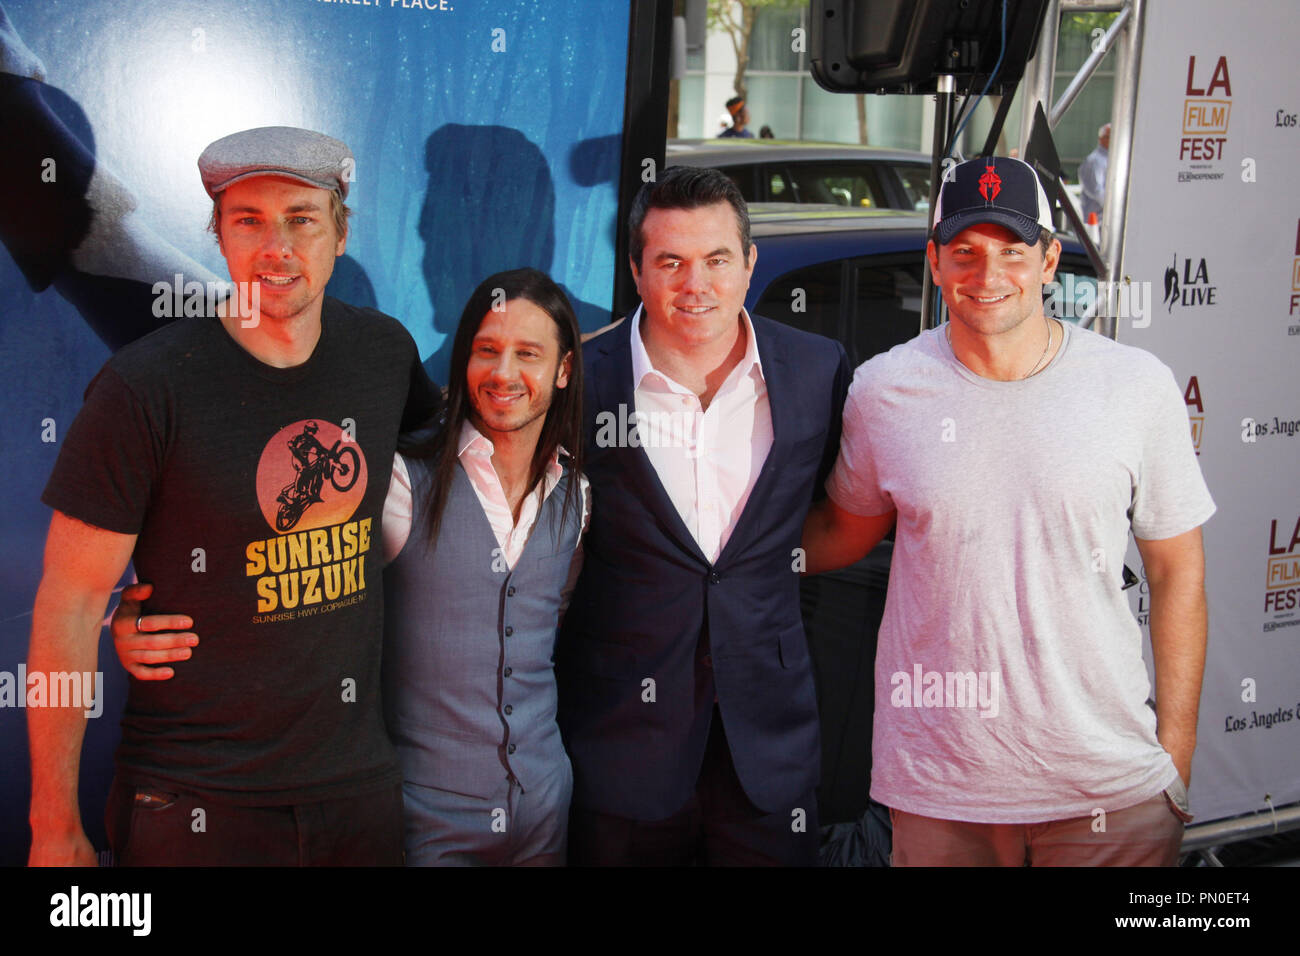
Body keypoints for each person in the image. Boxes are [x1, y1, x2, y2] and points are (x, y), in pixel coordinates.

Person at [27, 126, 443, 866]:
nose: (276, 247)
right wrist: (54, 829)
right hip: (192, 801)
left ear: (340, 233)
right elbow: (68, 603)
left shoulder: (384, 354)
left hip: (358, 796)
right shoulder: (145, 387)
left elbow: (471, 444)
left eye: (301, 219)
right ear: (218, 235)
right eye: (247, 219)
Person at [801, 155, 1214, 866]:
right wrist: (717, 544)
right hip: (939, 788)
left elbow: (1178, 573)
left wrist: (1174, 763)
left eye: (1011, 252)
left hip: (1108, 791)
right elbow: (842, 531)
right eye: (964, 253)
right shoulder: (885, 390)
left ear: (1050, 260)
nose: (987, 276)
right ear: (934, 263)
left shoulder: (1135, 386)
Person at [116, 268, 589, 867]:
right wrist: (136, 614)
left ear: (564, 369)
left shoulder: (577, 496)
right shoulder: (400, 481)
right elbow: (284, 576)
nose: (503, 373)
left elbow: (553, 618)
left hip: (546, 806)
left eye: (528, 354)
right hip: (421, 815)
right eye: (486, 350)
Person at [558, 165, 851, 866]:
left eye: (718, 259)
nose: (697, 285)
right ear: (636, 270)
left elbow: (837, 512)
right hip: (619, 751)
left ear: (750, 264)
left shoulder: (816, 370)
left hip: (769, 752)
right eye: (671, 262)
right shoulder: (582, 382)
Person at [1078, 122, 1110, 221]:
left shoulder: (1110, 159)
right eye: (1110, 137)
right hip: (1094, 222)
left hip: (1104, 220)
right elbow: (1095, 190)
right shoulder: (1094, 161)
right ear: (1101, 139)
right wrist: (1113, 206)